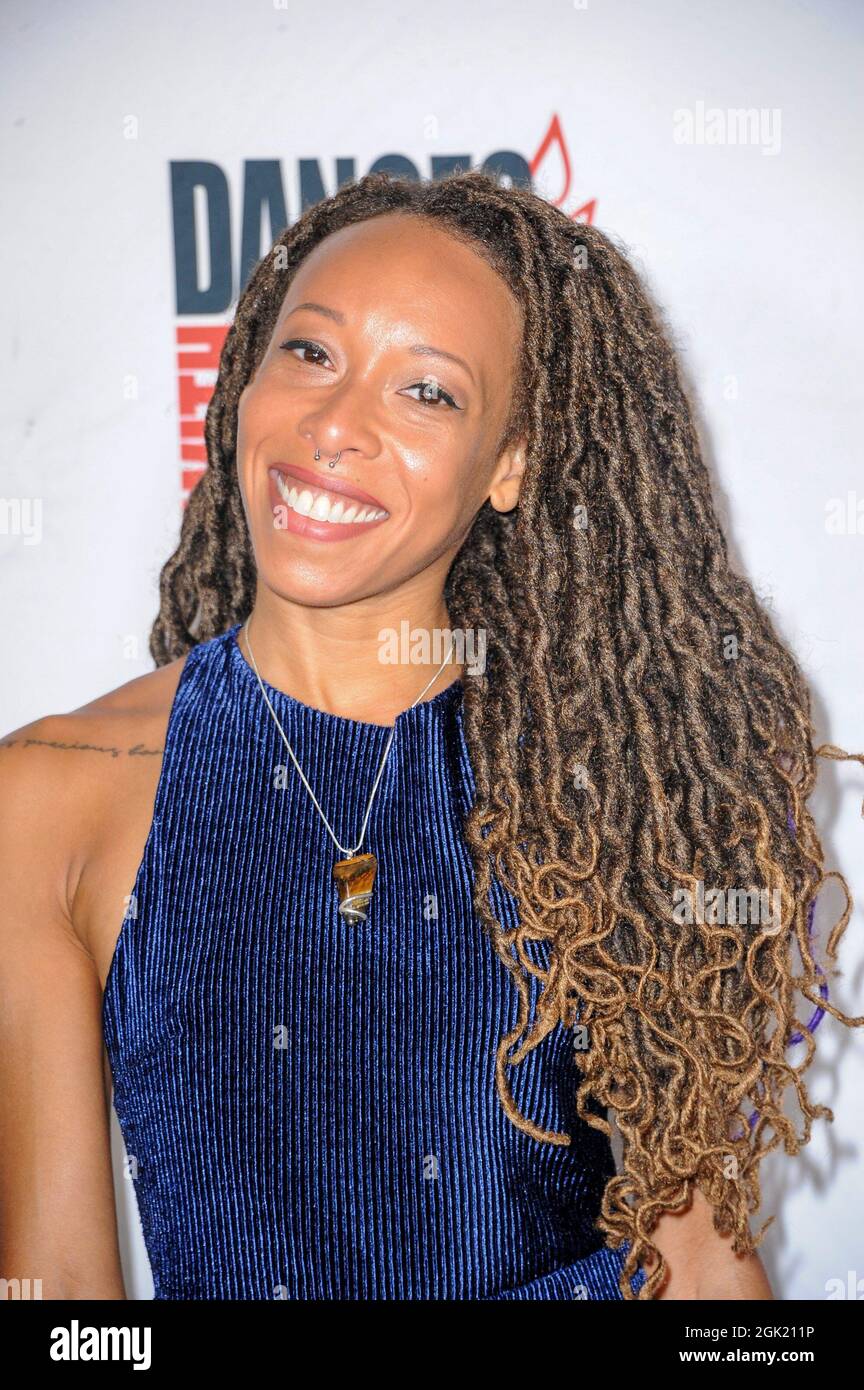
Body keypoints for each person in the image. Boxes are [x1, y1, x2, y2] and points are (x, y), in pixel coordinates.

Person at [2, 168, 861, 1301]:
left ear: (510, 463)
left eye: (428, 394)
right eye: (309, 353)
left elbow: (702, 1273)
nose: (335, 425)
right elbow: (55, 1295)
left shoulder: (604, 791)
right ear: (245, 374)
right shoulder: (51, 794)